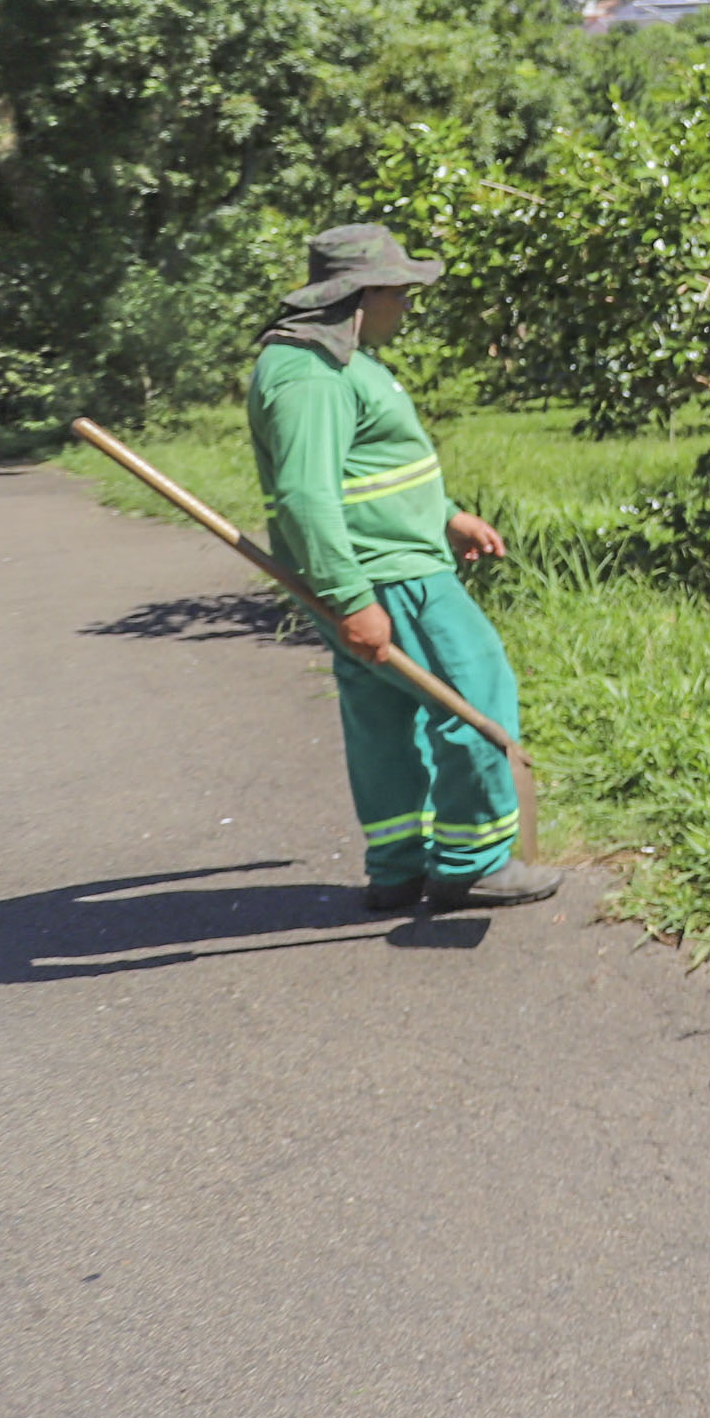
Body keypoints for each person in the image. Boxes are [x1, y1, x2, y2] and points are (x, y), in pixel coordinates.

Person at [247, 223, 562, 915]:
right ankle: (473, 861)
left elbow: (369, 467)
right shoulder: (309, 373)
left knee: (385, 715)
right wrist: (352, 598)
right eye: (399, 294)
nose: (407, 308)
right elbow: (306, 494)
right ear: (359, 297)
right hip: (391, 577)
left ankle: (398, 866)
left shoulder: (342, 361)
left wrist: (446, 516)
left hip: (393, 564)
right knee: (476, 695)